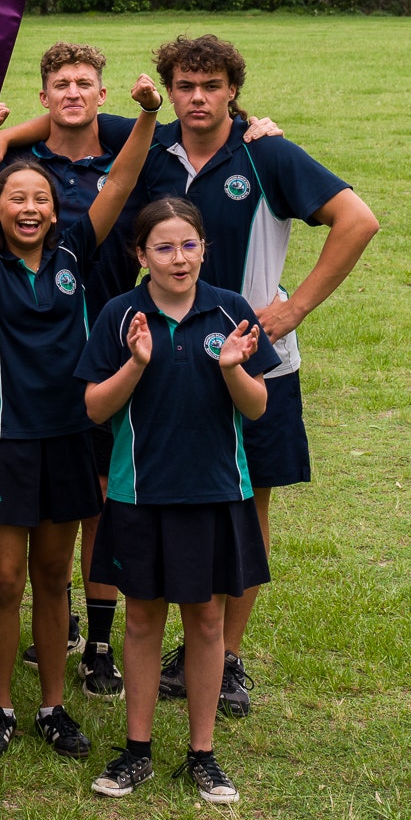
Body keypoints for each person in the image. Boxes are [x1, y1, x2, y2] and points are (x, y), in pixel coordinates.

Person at [0, 43, 293, 689]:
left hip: (127, 337)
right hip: (48, 362)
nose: (73, 93)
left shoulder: (124, 135)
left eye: (85, 84)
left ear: (103, 92)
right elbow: (55, 123)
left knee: (107, 497)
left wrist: (259, 125)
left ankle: (99, 639)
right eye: (60, 84)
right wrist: (4, 133)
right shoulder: (21, 172)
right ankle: (60, 638)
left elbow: (151, 126)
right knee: (71, 509)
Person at [126, 35, 377, 717]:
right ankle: (182, 641)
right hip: (168, 368)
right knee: (167, 500)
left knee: (245, 507)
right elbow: (73, 127)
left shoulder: (265, 153)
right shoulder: (152, 152)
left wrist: (292, 308)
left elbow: (358, 219)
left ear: (234, 89)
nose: (198, 97)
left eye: (212, 84)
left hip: (254, 361)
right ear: (169, 89)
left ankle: (226, 656)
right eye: (186, 84)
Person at [0, 77, 159, 758]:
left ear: (55, 210)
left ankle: (51, 705)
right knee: (5, 580)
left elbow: (121, 184)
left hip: (69, 435)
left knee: (49, 574)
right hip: (7, 438)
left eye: (41, 198)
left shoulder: (75, 254)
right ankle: (2, 706)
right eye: (17, 199)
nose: (32, 208)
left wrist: (150, 116)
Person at [79, 198, 274, 806]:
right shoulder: (120, 314)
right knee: (141, 617)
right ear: (141, 255)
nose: (178, 259)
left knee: (207, 619)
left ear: (204, 249)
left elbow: (257, 406)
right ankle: (137, 749)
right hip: (141, 493)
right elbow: (94, 408)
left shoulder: (231, 311)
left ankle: (203, 754)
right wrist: (136, 364)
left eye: (188, 245)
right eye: (163, 248)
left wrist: (232, 369)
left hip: (217, 491)